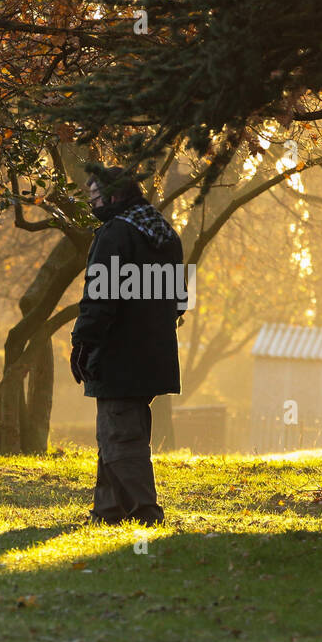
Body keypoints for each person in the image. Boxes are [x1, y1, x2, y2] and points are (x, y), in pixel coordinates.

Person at [70, 163, 184, 526]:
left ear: (115, 196)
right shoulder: (165, 233)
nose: (93, 205)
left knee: (120, 438)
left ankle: (146, 513)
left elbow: (100, 296)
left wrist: (83, 342)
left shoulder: (115, 234)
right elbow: (179, 300)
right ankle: (107, 512)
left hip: (119, 354)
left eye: (96, 198)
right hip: (154, 353)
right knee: (118, 431)